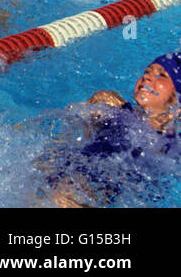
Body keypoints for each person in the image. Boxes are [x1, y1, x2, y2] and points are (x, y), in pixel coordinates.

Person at [37, 52, 181, 207]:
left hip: (91, 193)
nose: (147, 77)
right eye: (147, 71)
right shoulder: (111, 106)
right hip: (64, 173)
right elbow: (68, 131)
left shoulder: (174, 146)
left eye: (162, 75)